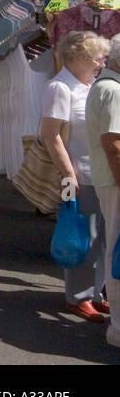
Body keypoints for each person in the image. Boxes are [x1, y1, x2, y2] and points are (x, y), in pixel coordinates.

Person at [41, 30, 110, 321]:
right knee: (83, 237)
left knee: (104, 238)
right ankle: (78, 296)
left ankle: (98, 292)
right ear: (77, 58)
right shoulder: (60, 87)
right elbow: (50, 135)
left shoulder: (92, 85)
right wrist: (68, 173)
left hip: (101, 173)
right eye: (97, 58)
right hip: (79, 174)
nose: (101, 62)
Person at [86, 36, 120, 349]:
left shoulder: (106, 85)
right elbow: (114, 146)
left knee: (115, 247)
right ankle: (118, 328)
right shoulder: (113, 90)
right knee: (117, 250)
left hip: (109, 179)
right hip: (114, 180)